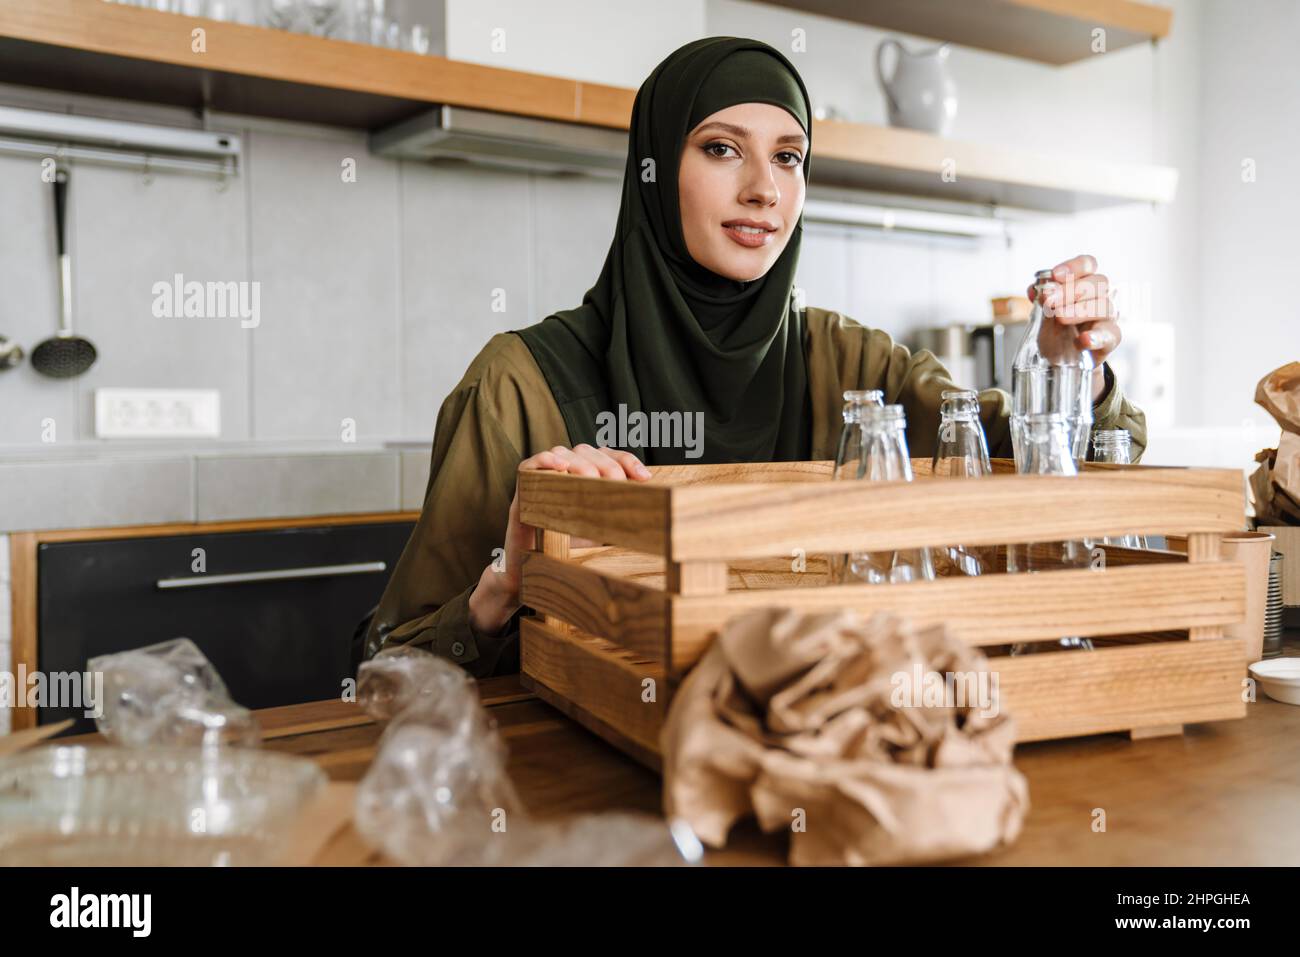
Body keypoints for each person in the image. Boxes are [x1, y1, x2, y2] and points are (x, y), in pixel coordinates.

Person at [362, 36, 1146, 677]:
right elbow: (383, 669)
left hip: (813, 779)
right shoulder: (519, 385)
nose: (765, 189)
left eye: (789, 157)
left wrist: (1066, 364)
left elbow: (1040, 460)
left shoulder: (850, 363)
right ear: (656, 167)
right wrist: (502, 587)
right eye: (721, 149)